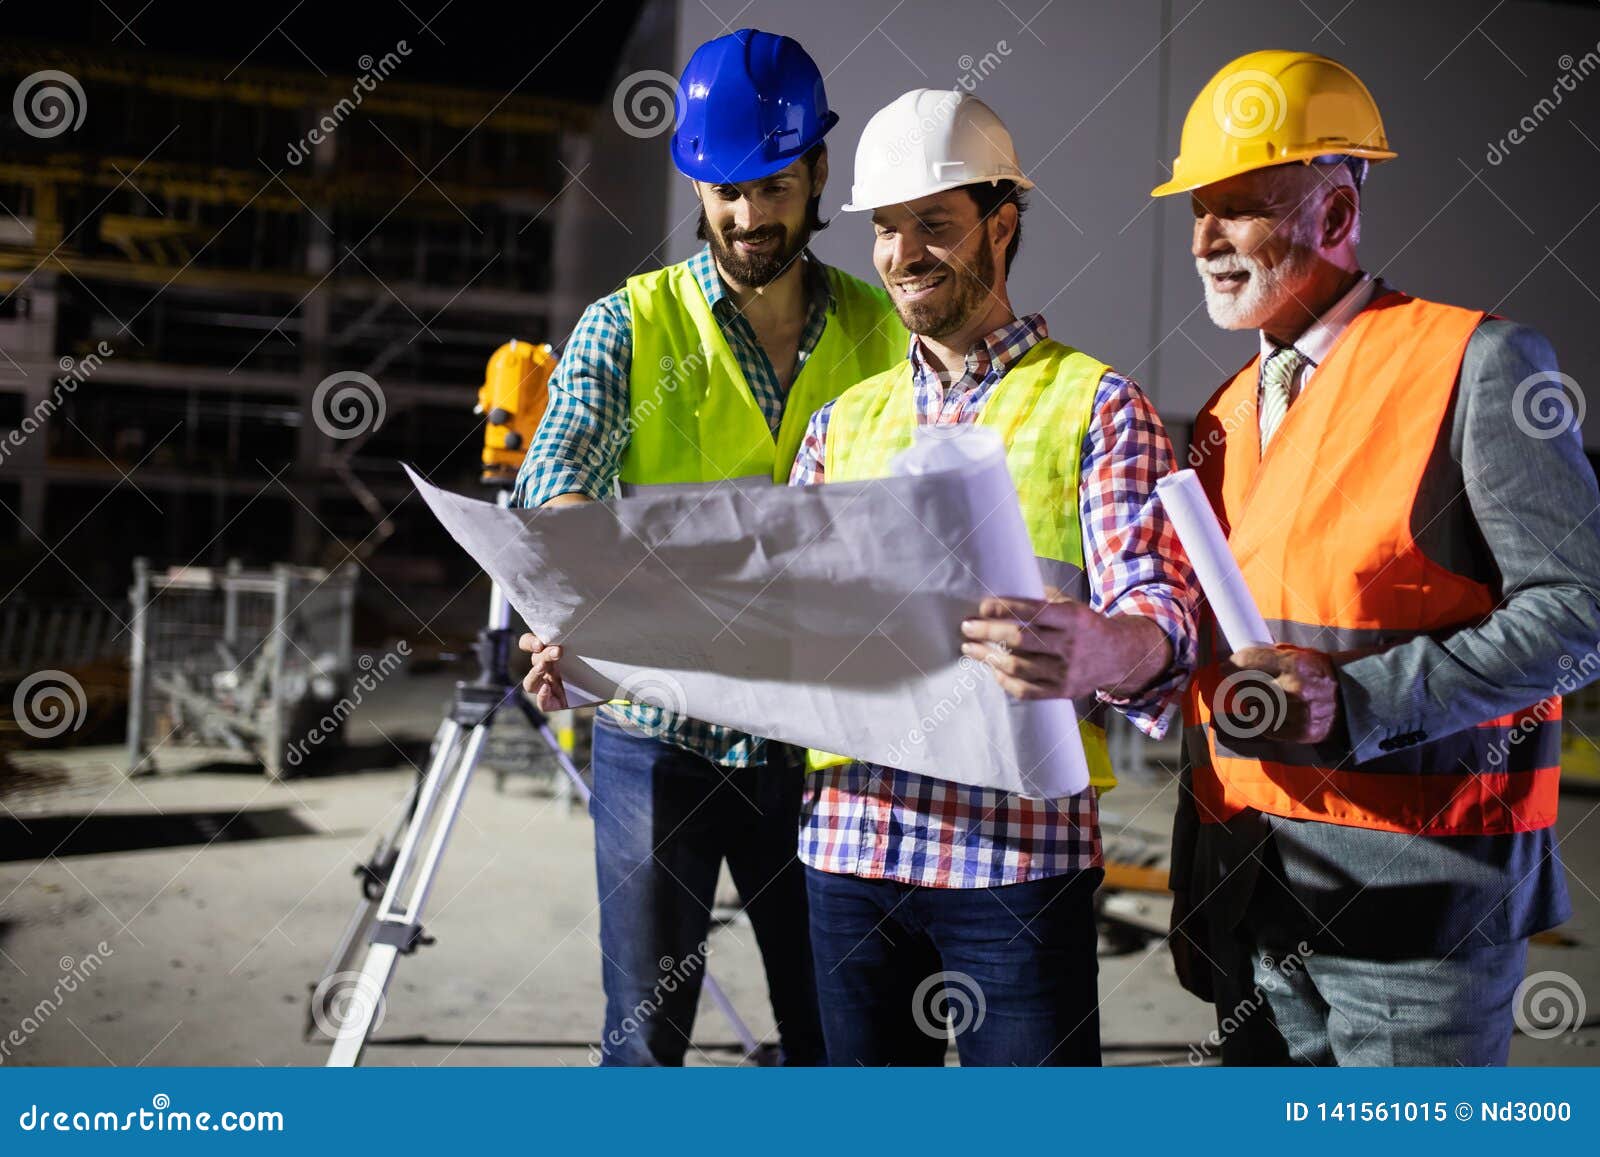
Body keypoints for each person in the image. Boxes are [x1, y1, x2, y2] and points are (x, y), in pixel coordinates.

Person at [1156, 49, 1600, 1066]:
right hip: (1252, 894)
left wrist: (1356, 700)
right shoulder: (1227, 414)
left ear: (1335, 212)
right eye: (1197, 210)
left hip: (1416, 913)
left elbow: (1577, 613)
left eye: (1241, 206)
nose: (1206, 239)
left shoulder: (1477, 363)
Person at [514, 29, 907, 1066]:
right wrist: (574, 602)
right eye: (722, 189)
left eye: (772, 185)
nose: (745, 217)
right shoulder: (628, 326)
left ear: (819, 170)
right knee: (644, 1044)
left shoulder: (885, 331)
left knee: (836, 1036)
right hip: (662, 734)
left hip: (824, 740)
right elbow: (553, 487)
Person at [789, 89, 1198, 1066]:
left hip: (1012, 862)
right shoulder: (838, 424)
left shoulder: (1096, 406)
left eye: (934, 223)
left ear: (1000, 225)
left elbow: (1163, 619)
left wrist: (1111, 646)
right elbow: (782, 622)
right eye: (887, 228)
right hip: (846, 847)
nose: (903, 253)